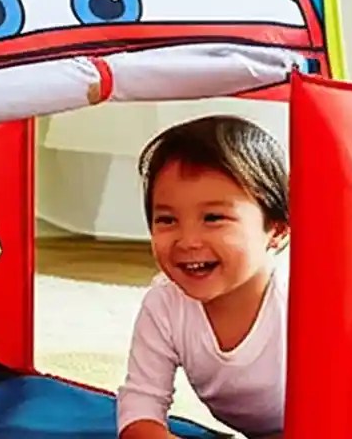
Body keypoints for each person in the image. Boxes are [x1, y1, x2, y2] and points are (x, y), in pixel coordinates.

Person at [116, 115, 290, 439]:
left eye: (213, 218)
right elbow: (140, 402)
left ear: (276, 230)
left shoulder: (301, 303)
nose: (188, 240)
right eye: (167, 220)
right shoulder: (165, 303)